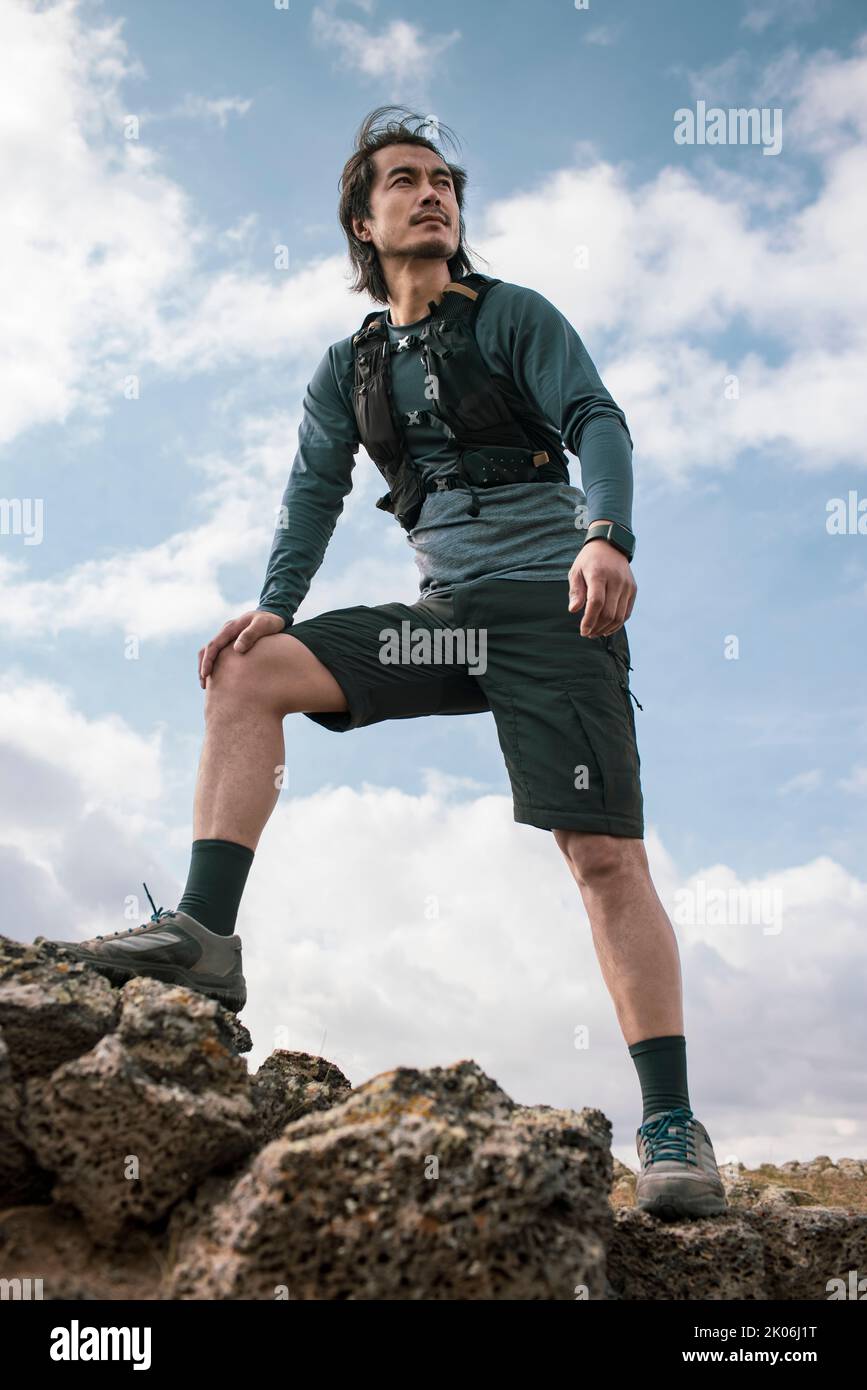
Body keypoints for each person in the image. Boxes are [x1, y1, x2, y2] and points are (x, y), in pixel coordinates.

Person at [44, 106, 726, 1221]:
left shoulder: (513, 316)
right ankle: (206, 938)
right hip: (446, 623)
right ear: (364, 222)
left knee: (602, 855)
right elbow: (312, 493)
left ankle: (669, 1117)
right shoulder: (347, 366)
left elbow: (598, 417)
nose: (431, 193)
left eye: (443, 180)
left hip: (554, 611)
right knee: (247, 673)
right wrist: (271, 611)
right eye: (404, 181)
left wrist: (608, 533)